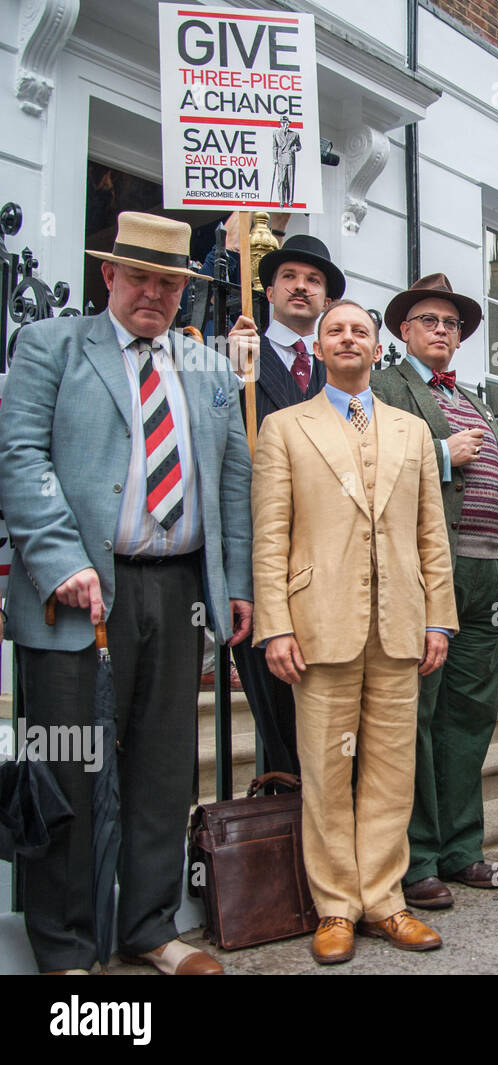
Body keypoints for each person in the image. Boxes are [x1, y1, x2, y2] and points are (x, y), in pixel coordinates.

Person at [0, 212, 252, 975]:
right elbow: (19, 456)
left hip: (179, 590)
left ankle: (148, 925)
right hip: (77, 592)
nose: (154, 293)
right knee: (69, 766)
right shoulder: (51, 346)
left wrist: (236, 584)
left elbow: (234, 475)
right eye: (139, 276)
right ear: (108, 275)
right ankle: (67, 946)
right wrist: (58, 558)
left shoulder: (205, 363)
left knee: (163, 765)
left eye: (169, 282)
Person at [253, 299, 457, 963]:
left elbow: (433, 533)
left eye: (359, 331)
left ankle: (385, 899)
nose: (347, 338)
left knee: (393, 771)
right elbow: (270, 536)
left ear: (376, 348)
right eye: (335, 329)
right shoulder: (284, 427)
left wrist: (439, 618)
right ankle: (335, 905)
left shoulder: (411, 432)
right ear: (320, 347)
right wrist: (275, 624)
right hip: (320, 626)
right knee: (327, 768)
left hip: (399, 625)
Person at [370, 274, 498, 909]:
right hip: (428, 571)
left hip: (486, 575)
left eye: (451, 324)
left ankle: (463, 849)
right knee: (418, 717)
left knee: (470, 717)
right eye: (428, 320)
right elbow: (365, 459)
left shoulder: (476, 399)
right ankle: (418, 858)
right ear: (403, 330)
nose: (441, 331)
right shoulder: (384, 387)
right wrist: (441, 451)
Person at [224, 233, 345, 777]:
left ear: (325, 300)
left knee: (330, 729)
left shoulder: (338, 376)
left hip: (330, 572)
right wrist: (228, 371)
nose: (302, 287)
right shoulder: (235, 359)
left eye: (314, 281)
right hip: (263, 568)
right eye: (291, 277)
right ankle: (281, 844)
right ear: (267, 288)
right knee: (278, 731)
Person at [271, 115, 301, 207]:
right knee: (281, 180)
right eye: (284, 123)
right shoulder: (276, 133)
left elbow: (299, 146)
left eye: (287, 123)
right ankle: (282, 201)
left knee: (290, 181)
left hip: (290, 158)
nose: (286, 124)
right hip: (281, 158)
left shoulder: (295, 134)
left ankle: (290, 202)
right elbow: (274, 147)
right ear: (281, 123)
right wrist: (275, 158)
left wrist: (295, 148)